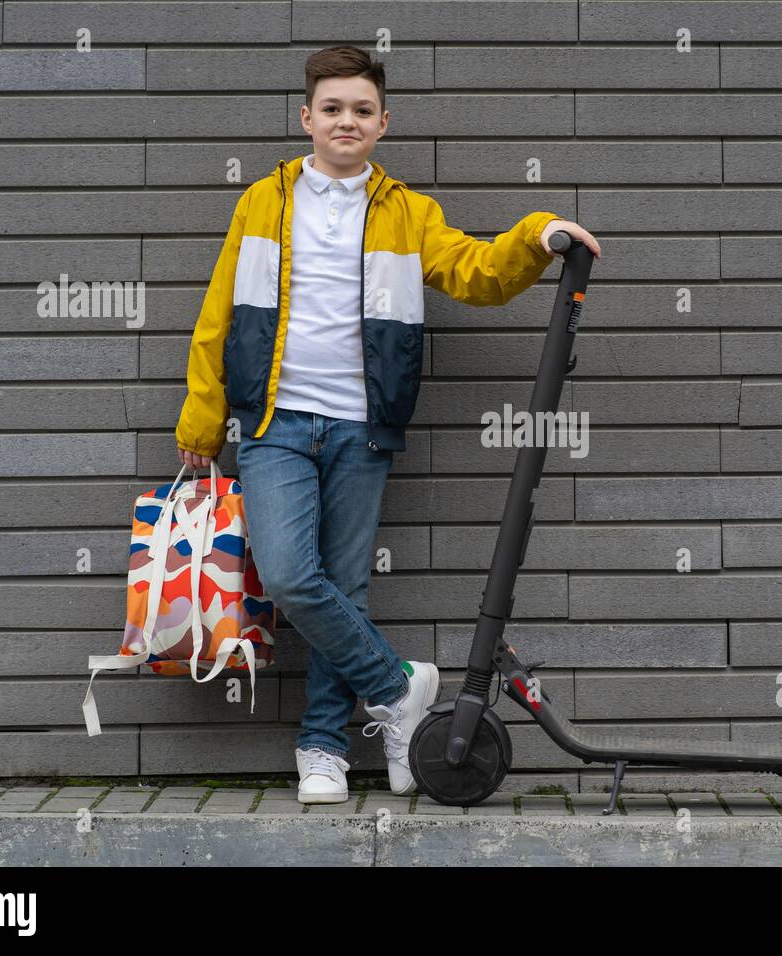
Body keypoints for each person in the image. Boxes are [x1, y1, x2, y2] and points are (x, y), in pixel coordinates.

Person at [174, 45, 601, 804]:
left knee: (342, 587)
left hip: (361, 427)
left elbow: (475, 272)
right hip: (276, 422)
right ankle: (401, 688)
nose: (347, 121)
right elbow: (220, 311)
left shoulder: (408, 212)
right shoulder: (263, 202)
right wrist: (204, 418)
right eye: (332, 108)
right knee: (289, 575)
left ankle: (325, 749)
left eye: (362, 110)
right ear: (307, 118)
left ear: (383, 122)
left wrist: (538, 234)